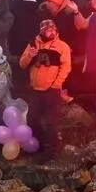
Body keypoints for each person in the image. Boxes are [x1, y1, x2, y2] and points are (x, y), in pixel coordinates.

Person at [18, 20, 71, 162]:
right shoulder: (33, 44)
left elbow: (66, 68)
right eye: (47, 29)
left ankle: (52, 152)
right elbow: (22, 64)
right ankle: (38, 146)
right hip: (35, 89)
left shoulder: (62, 46)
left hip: (52, 89)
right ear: (41, 30)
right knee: (32, 119)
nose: (50, 31)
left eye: (52, 29)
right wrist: (30, 55)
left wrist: (56, 84)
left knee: (51, 122)